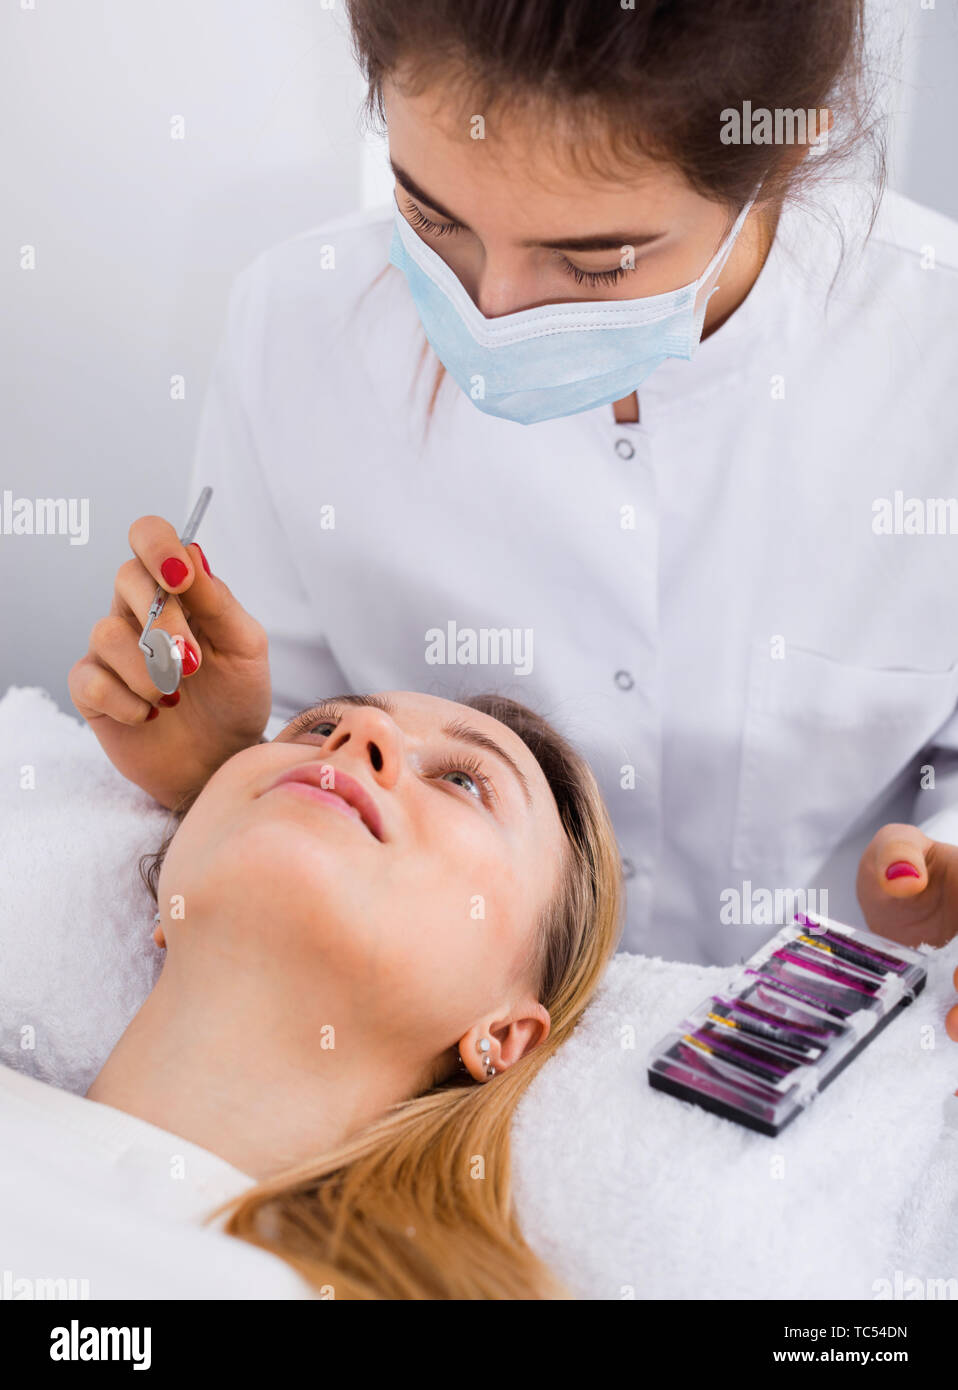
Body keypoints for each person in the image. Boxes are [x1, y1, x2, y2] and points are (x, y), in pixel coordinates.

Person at [74, 0, 958, 970]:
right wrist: (219, 764)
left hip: (847, 1049)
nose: (489, 313)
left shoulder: (931, 354)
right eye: (432, 216)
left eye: (595, 261)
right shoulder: (295, 328)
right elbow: (299, 751)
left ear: (779, 158)